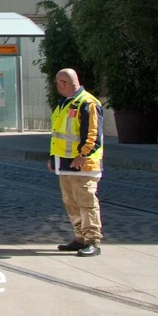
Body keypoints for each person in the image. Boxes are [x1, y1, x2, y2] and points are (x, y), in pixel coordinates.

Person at [49, 68, 104, 257]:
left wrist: (83, 155)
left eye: (57, 83)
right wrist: (53, 159)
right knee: (71, 202)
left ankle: (92, 240)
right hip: (65, 164)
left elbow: (93, 135)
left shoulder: (87, 102)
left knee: (87, 203)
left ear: (63, 83)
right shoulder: (65, 103)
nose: (56, 86)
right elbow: (58, 135)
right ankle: (80, 237)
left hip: (83, 165)